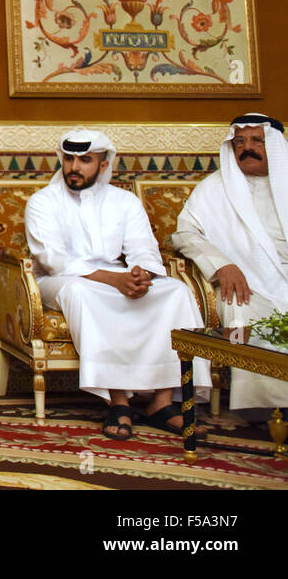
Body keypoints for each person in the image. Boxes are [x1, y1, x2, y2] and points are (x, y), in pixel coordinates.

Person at [24, 129, 210, 440]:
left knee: (176, 292)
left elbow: (144, 249)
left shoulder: (124, 201)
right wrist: (117, 280)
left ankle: (163, 403)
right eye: (68, 159)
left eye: (85, 160)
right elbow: (55, 260)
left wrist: (141, 276)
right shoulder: (42, 201)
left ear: (103, 164)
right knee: (85, 294)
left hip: (117, 277)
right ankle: (118, 402)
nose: (74, 167)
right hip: (59, 280)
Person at [173, 113, 288, 413]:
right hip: (247, 284)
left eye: (256, 140)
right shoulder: (216, 188)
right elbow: (185, 233)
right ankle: (268, 408)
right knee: (240, 310)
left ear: (274, 146)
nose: (246, 147)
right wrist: (222, 265)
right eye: (239, 141)